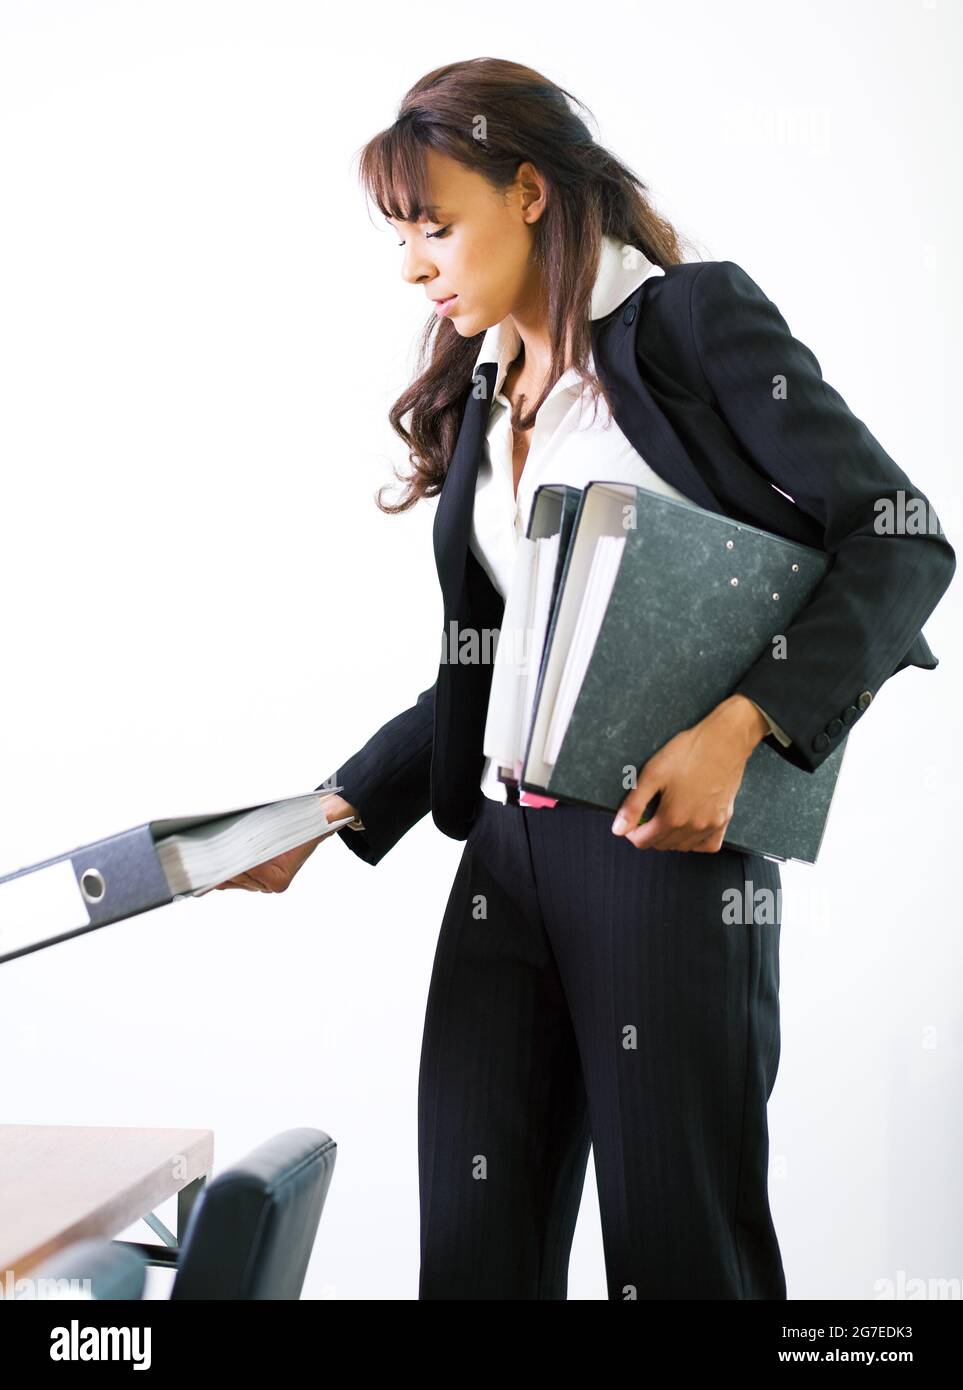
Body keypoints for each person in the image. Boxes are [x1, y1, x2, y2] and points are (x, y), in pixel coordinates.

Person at [214, 58, 955, 1299]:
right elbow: (494, 663)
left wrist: (745, 725)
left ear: (533, 192)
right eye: (400, 235)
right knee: (471, 1261)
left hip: (662, 868)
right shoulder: (488, 382)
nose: (412, 266)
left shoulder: (690, 323)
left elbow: (901, 531)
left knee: (680, 1258)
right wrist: (328, 812)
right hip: (506, 861)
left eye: (435, 226)